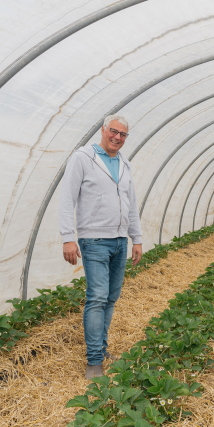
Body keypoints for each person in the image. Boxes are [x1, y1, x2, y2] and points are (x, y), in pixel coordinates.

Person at [59, 114, 143, 380]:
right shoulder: (82, 158)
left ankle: (102, 349)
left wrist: (136, 238)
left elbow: (131, 204)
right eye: (113, 132)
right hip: (94, 239)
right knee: (96, 297)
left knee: (110, 298)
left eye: (123, 135)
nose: (117, 137)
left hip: (119, 240)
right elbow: (67, 199)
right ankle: (94, 362)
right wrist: (67, 237)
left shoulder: (124, 163)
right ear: (103, 130)